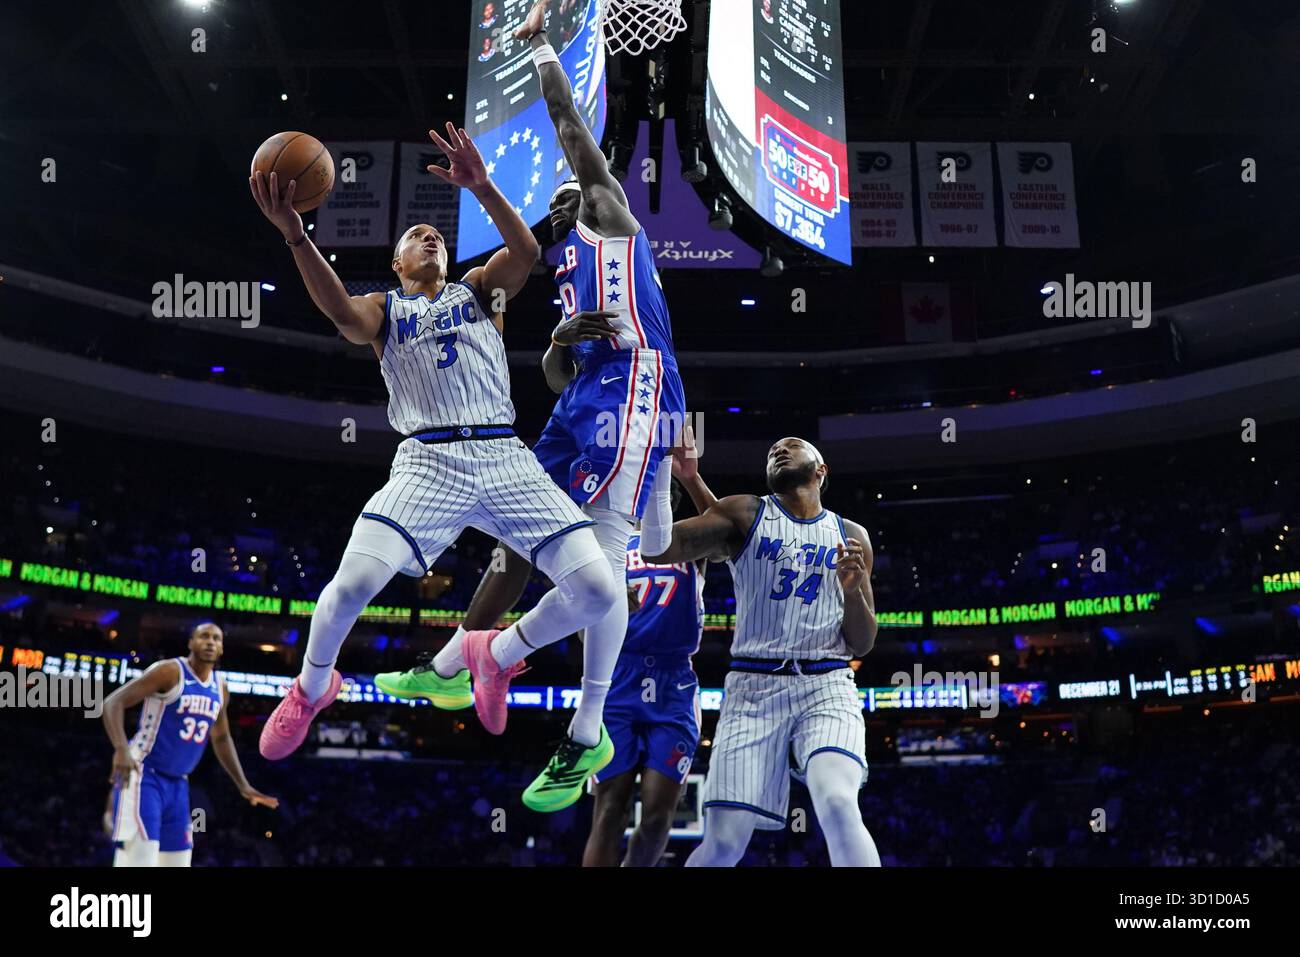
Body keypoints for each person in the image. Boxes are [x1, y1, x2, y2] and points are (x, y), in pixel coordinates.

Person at [247, 121, 620, 763]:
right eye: (416, 237)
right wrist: (297, 236)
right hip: (428, 464)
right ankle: (311, 687)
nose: (431, 236)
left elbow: (526, 253)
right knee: (347, 588)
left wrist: (483, 186)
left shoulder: (480, 290)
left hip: (506, 457)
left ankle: (495, 655)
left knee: (599, 592)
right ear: (397, 264)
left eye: (436, 234)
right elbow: (339, 312)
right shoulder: (383, 310)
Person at [639, 438, 884, 867]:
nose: (779, 450)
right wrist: (666, 473)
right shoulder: (745, 512)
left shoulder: (852, 536)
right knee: (723, 843)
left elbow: (862, 643)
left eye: (792, 446)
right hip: (752, 689)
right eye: (773, 450)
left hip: (826, 685)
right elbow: (658, 548)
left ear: (820, 470)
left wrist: (852, 595)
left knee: (840, 804)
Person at [101, 622, 278, 866]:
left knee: (177, 862)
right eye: (204, 636)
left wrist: (243, 784)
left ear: (222, 649)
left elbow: (222, 737)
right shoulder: (169, 672)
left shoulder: (220, 686)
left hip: (179, 784)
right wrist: (121, 748)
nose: (210, 642)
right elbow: (112, 703)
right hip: (143, 774)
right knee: (139, 861)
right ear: (190, 643)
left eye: (216, 638)